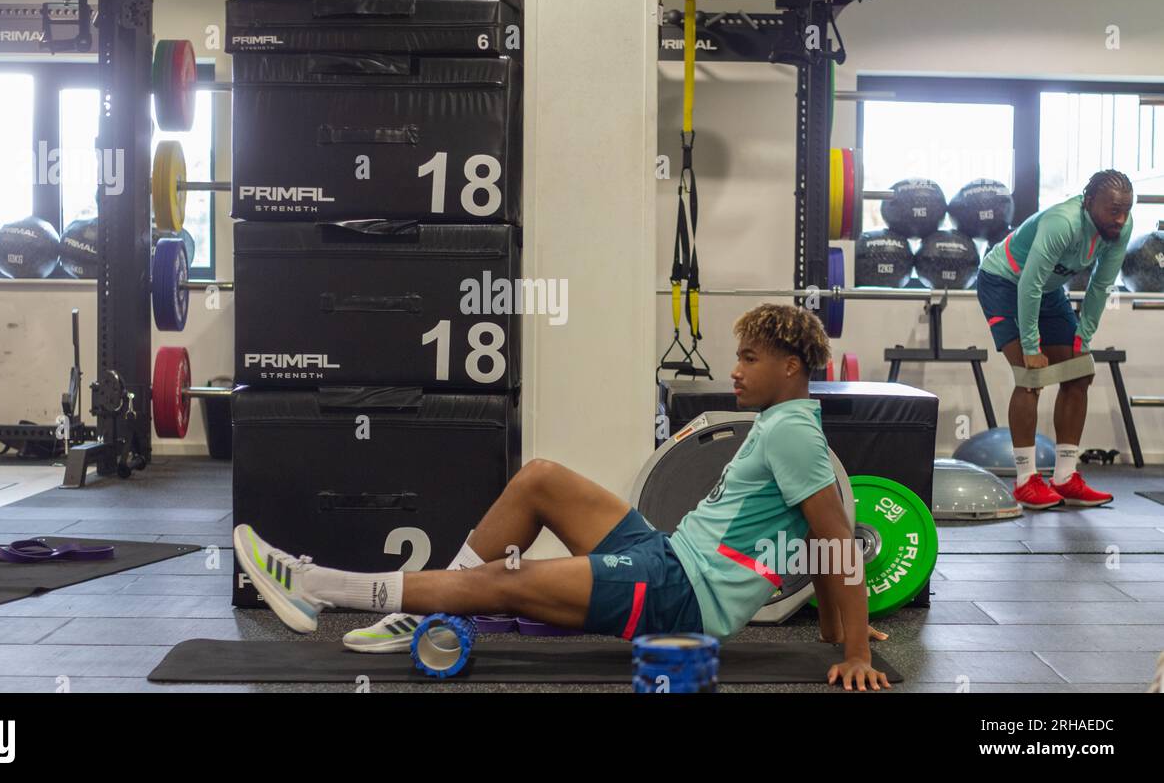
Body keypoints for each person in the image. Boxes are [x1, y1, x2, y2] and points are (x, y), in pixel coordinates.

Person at [234, 304, 890, 690]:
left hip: (677, 595)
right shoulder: (785, 425)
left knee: (507, 581)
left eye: (749, 358)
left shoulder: (794, 434)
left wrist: (856, 651)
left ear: (791, 368)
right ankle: (423, 609)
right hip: (667, 555)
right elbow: (815, 535)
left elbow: (835, 539)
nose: (735, 370)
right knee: (541, 477)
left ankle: (317, 585)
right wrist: (836, 632)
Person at [975, 171, 1135, 509]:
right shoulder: (1062, 222)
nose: (1120, 219)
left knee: (1080, 371)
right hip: (1004, 282)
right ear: (1089, 202)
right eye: (1113, 211)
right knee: (1030, 376)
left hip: (1046, 290)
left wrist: (1083, 336)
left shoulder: (1120, 228)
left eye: (1125, 210)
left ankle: (1064, 476)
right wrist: (1031, 347)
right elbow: (1027, 284)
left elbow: (1100, 285)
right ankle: (1025, 481)